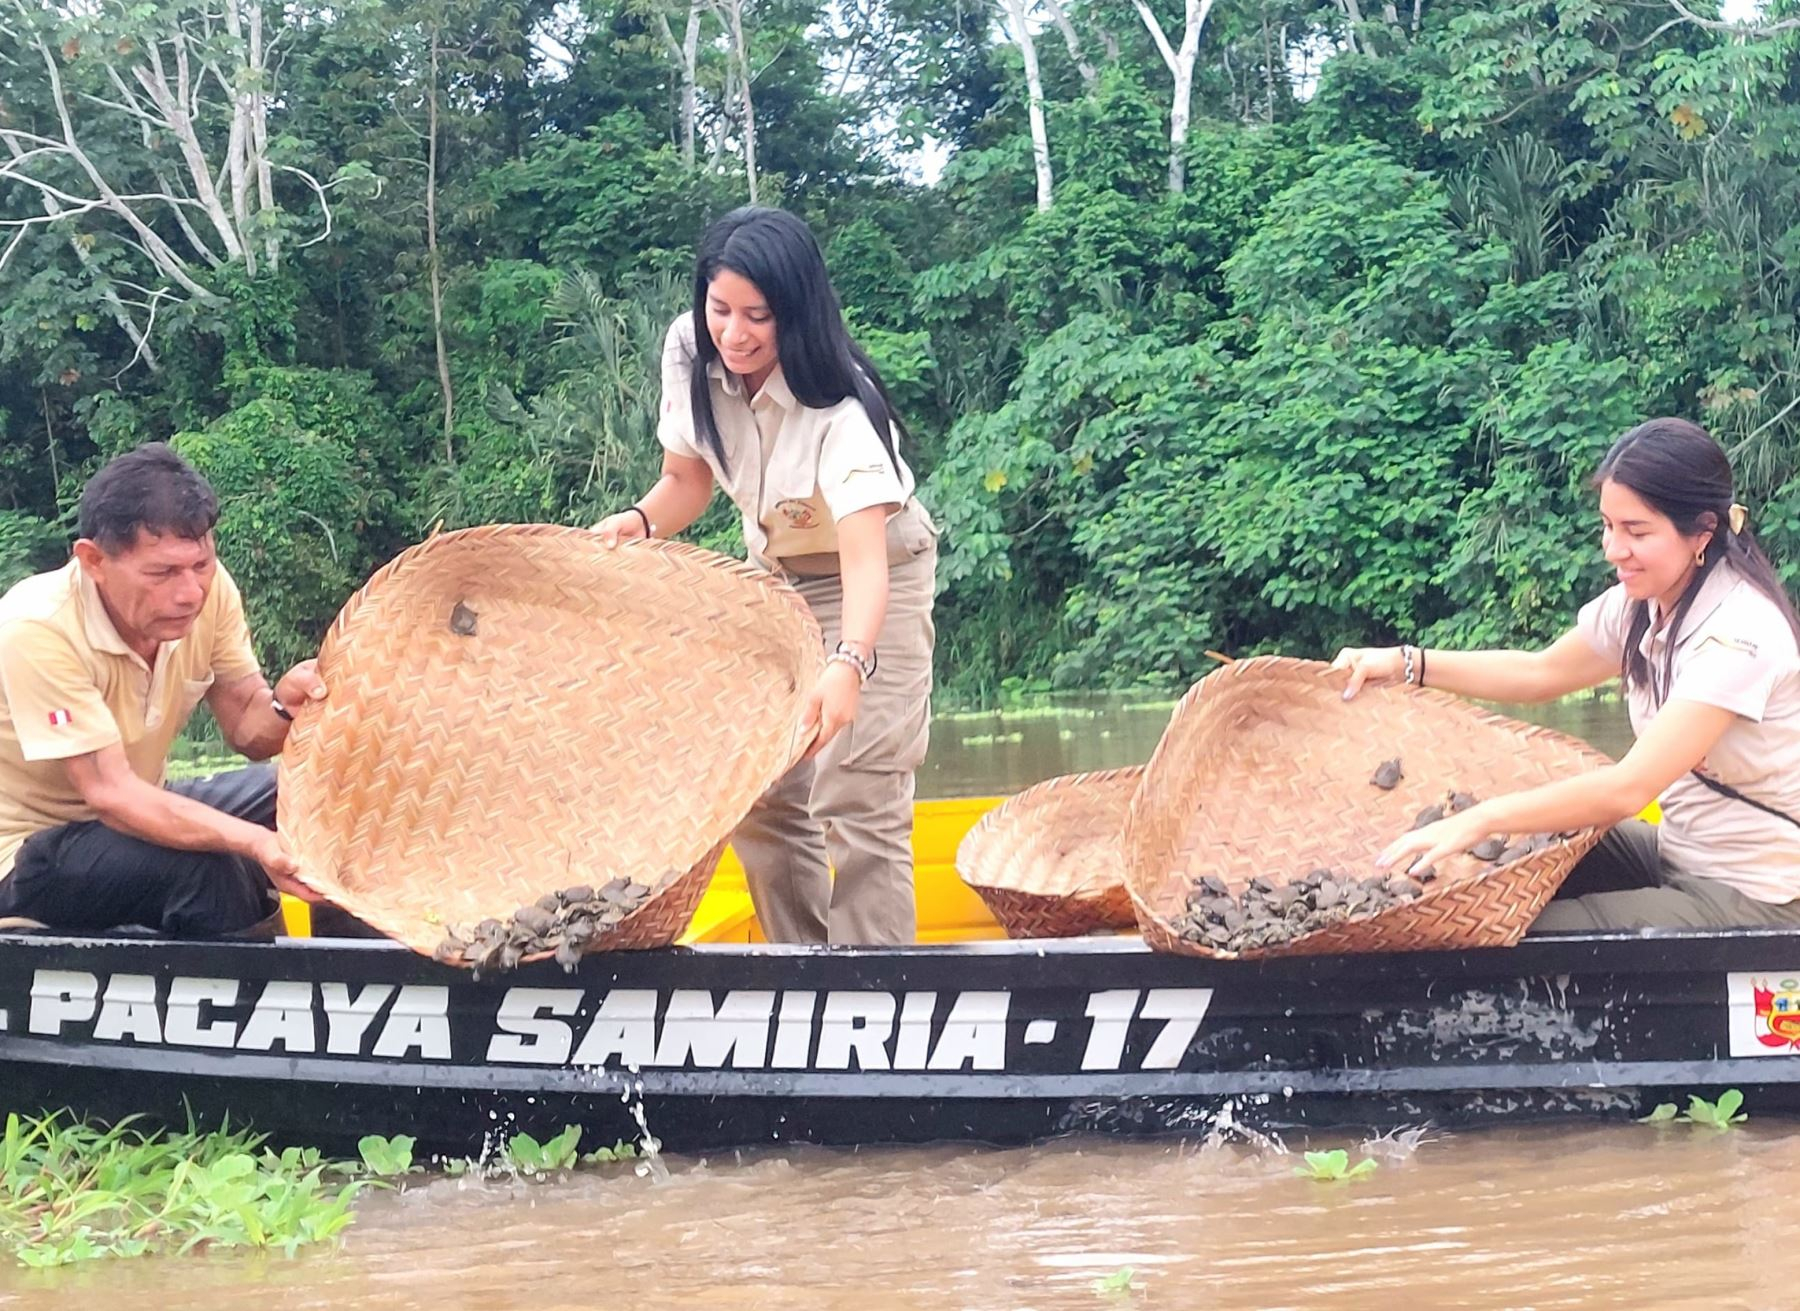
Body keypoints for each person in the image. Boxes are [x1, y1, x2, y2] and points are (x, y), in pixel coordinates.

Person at [593, 206, 937, 945]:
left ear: (797, 313)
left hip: (877, 578)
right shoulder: (690, 349)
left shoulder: (841, 402)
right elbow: (686, 480)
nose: (735, 333)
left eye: (758, 316)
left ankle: (875, 993)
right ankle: (803, 973)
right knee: (761, 784)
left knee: (858, 787)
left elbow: (867, 559)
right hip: (779, 580)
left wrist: (849, 663)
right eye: (721, 308)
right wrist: (639, 520)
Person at [1333, 417, 1800, 932]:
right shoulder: (1642, 603)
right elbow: (1541, 673)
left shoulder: (1740, 633)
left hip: (1754, 891)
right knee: (1484, 864)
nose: (1613, 550)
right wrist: (1407, 663)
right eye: (1608, 526)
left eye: (1636, 532)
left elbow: (1629, 789)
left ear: (1702, 533)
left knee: (1514, 929)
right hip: (1676, 852)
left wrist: (1482, 819)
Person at [0, 443, 326, 937]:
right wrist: (256, 843)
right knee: (208, 870)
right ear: (93, 560)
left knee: (326, 785)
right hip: (33, 849)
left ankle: (380, 966)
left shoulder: (209, 594)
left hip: (145, 802)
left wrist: (285, 705)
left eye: (200, 564)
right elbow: (110, 794)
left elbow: (247, 728)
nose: (189, 592)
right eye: (162, 573)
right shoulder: (37, 626)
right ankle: (267, 1000)